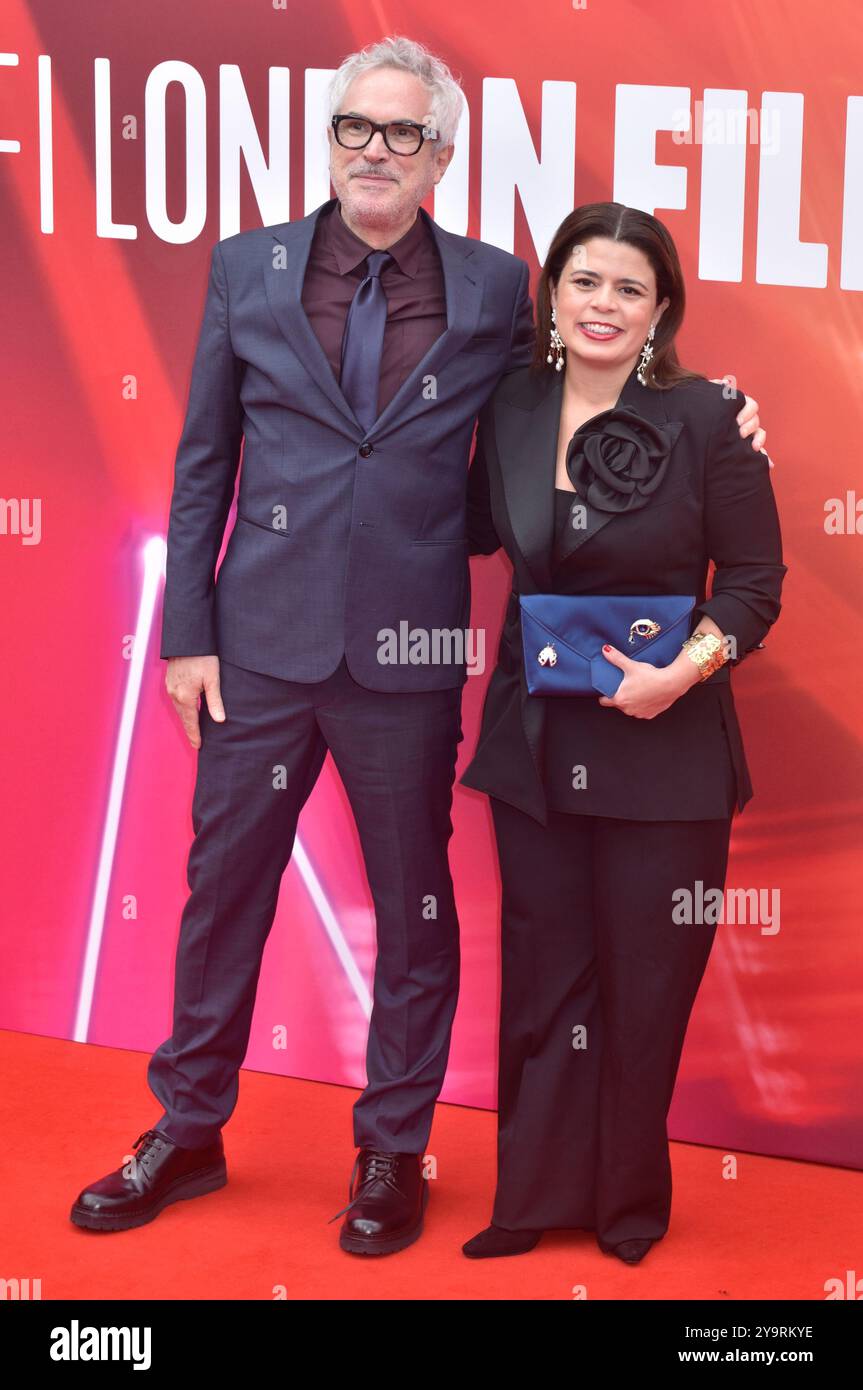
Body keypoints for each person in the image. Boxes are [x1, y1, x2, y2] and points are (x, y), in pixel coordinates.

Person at [69, 34, 768, 1257]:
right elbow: (201, 466)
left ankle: (392, 1147)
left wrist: (707, 401)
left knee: (415, 909)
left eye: (403, 134)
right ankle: (186, 1127)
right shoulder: (248, 267)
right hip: (258, 647)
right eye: (356, 128)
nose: (375, 151)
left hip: (407, 653)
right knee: (219, 893)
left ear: (440, 156)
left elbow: (561, 404)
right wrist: (186, 633)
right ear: (328, 139)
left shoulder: (500, 287)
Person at [459, 202, 786, 1264]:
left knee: (643, 986)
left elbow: (750, 585)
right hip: (536, 747)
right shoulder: (508, 406)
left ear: (660, 310)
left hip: (667, 750)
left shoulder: (706, 419)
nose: (602, 304)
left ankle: (625, 1206)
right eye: (583, 282)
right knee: (542, 972)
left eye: (627, 289)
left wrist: (681, 674)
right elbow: (466, 526)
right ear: (550, 296)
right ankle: (528, 1197)